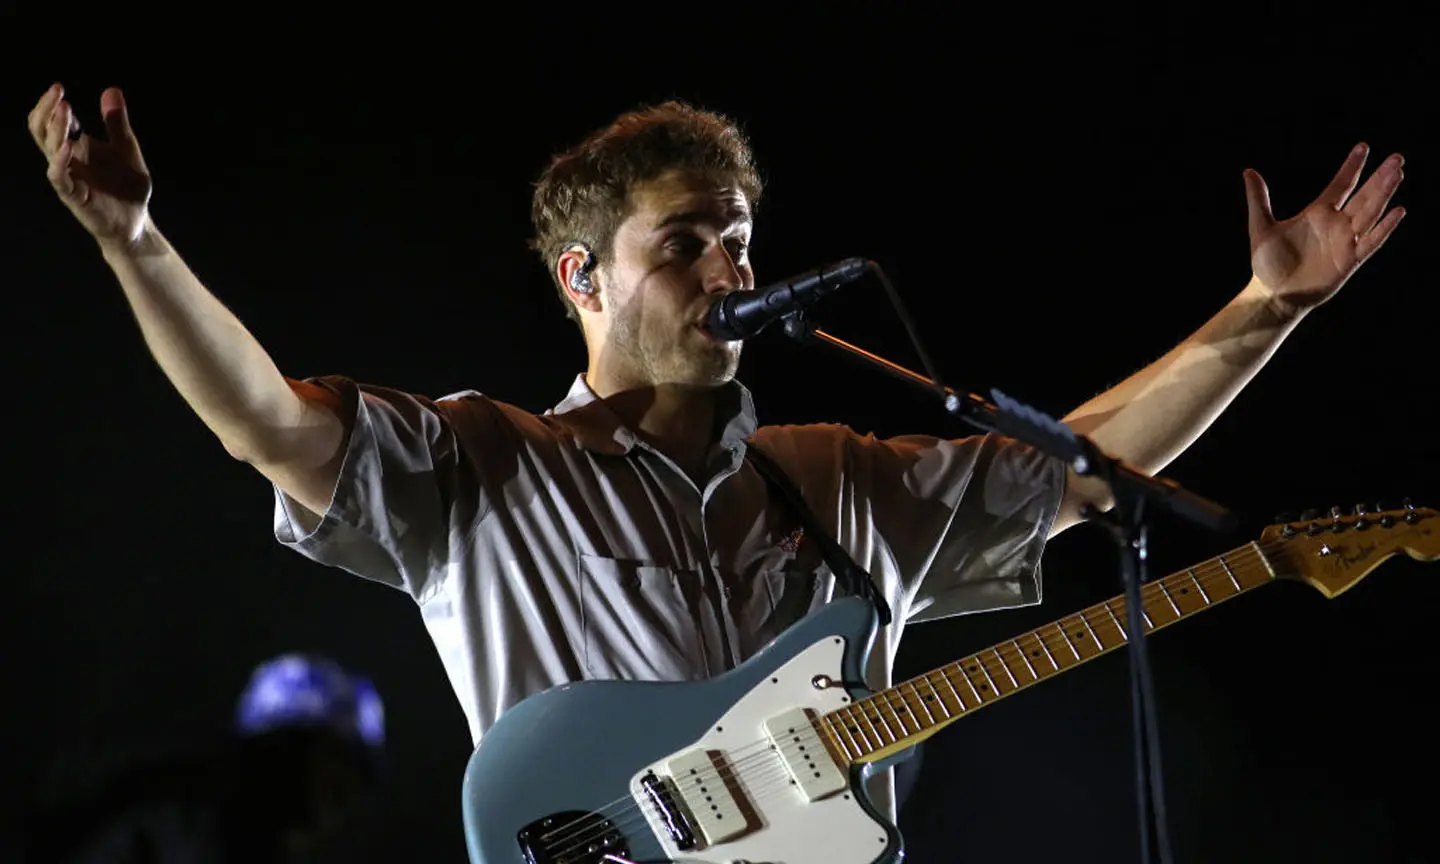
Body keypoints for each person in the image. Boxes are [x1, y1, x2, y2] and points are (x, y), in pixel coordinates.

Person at [27, 82, 1406, 829]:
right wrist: (134, 244)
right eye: (683, 240)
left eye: (740, 234)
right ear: (583, 276)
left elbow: (1084, 467)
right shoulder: (484, 461)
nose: (729, 264)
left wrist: (1265, 309)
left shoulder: (835, 473)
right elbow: (264, 421)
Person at [21, 653, 385, 864]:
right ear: (290, 749)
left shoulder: (200, 805)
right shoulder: (198, 818)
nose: (342, 801)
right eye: (338, 768)